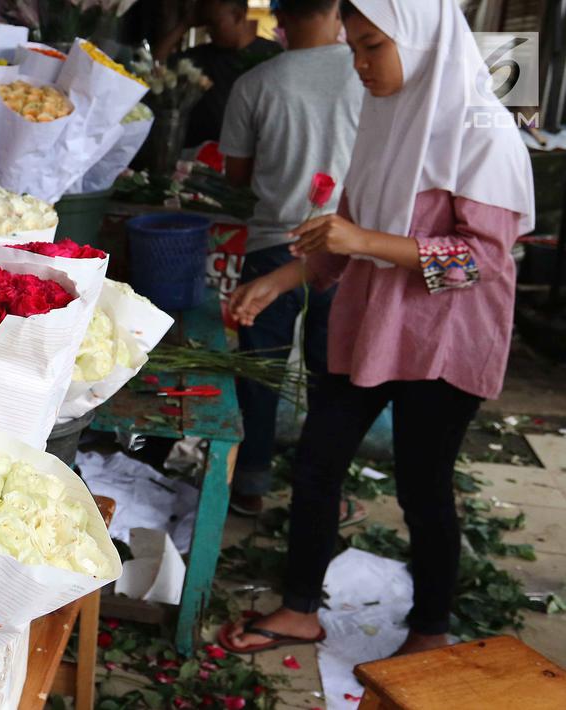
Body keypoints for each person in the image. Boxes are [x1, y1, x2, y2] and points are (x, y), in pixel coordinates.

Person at [219, 0, 535, 657]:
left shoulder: (482, 134)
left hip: (442, 341)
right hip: (369, 329)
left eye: (372, 48)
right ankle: (301, 607)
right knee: (314, 465)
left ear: (420, 42)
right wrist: (277, 280)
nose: (358, 64)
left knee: (422, 490)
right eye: (355, 46)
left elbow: (477, 266)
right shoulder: (387, 118)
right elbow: (345, 241)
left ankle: (428, 633)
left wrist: (365, 237)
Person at [217, 0, 364, 521]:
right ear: (339, 9)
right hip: (348, 246)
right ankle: (323, 492)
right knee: (335, 377)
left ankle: (250, 483)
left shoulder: (256, 82)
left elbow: (236, 175)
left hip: (272, 244)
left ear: (279, 13)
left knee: (261, 370)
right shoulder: (369, 69)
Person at [174, 0, 283, 147]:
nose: (208, 31)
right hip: (199, 153)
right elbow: (157, 65)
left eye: (213, 23)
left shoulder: (272, 55)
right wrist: (184, 25)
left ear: (238, 16)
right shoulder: (203, 54)